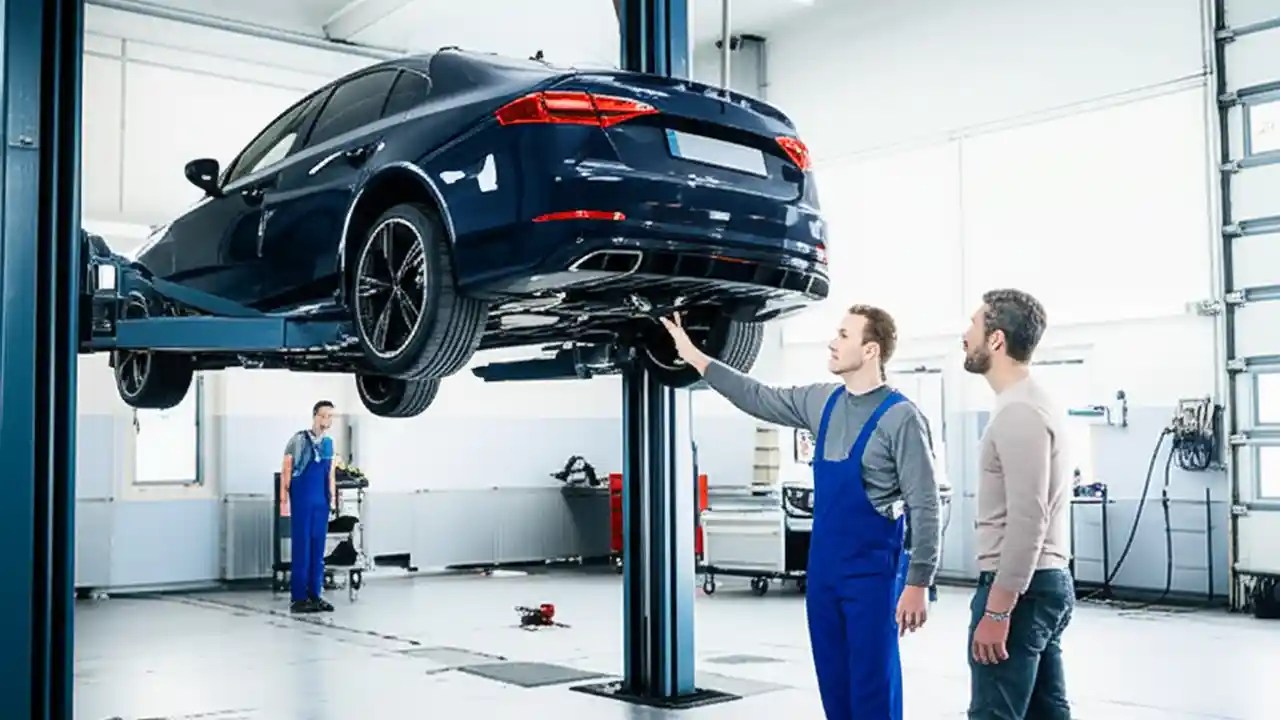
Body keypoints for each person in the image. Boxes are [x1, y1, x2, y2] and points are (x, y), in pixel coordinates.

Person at [660, 305, 942, 720]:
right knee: (834, 683)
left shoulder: (901, 418)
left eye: (843, 335)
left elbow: (925, 503)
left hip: (872, 577)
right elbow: (756, 396)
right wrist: (694, 356)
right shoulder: (821, 401)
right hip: (823, 573)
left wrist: (918, 582)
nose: (832, 342)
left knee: (872, 685)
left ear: (870, 350)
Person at [961, 289, 1074, 719]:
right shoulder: (1028, 402)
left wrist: (998, 608)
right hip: (1040, 584)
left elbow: (1028, 518)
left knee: (994, 713)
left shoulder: (1020, 411)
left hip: (1020, 591)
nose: (965, 335)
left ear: (996, 340)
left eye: (973, 325)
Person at [281, 400, 338, 614]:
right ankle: (299, 597)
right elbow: (287, 469)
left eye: (330, 416)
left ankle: (315, 594)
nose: (326, 420)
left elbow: (330, 473)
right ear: (314, 416)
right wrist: (284, 500)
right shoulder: (298, 440)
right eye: (323, 415)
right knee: (302, 548)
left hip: (321, 502)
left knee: (318, 550)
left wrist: (332, 498)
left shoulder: (329, 443)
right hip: (302, 499)